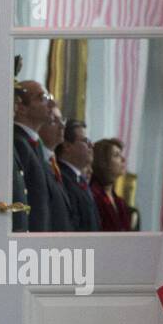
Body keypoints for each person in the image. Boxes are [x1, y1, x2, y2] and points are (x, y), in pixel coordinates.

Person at [12, 79, 58, 232]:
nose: (51, 104)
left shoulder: (34, 144)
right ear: (22, 108)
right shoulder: (18, 141)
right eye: (42, 98)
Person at [56, 118, 101, 232]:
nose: (92, 145)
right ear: (67, 146)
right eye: (86, 141)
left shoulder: (78, 179)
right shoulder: (61, 177)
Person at [36, 101, 74, 232]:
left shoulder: (54, 163)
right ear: (39, 127)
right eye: (54, 121)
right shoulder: (37, 160)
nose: (62, 126)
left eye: (62, 120)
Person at [90, 138, 134, 233]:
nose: (123, 159)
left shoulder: (119, 201)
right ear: (103, 161)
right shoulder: (93, 195)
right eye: (116, 155)